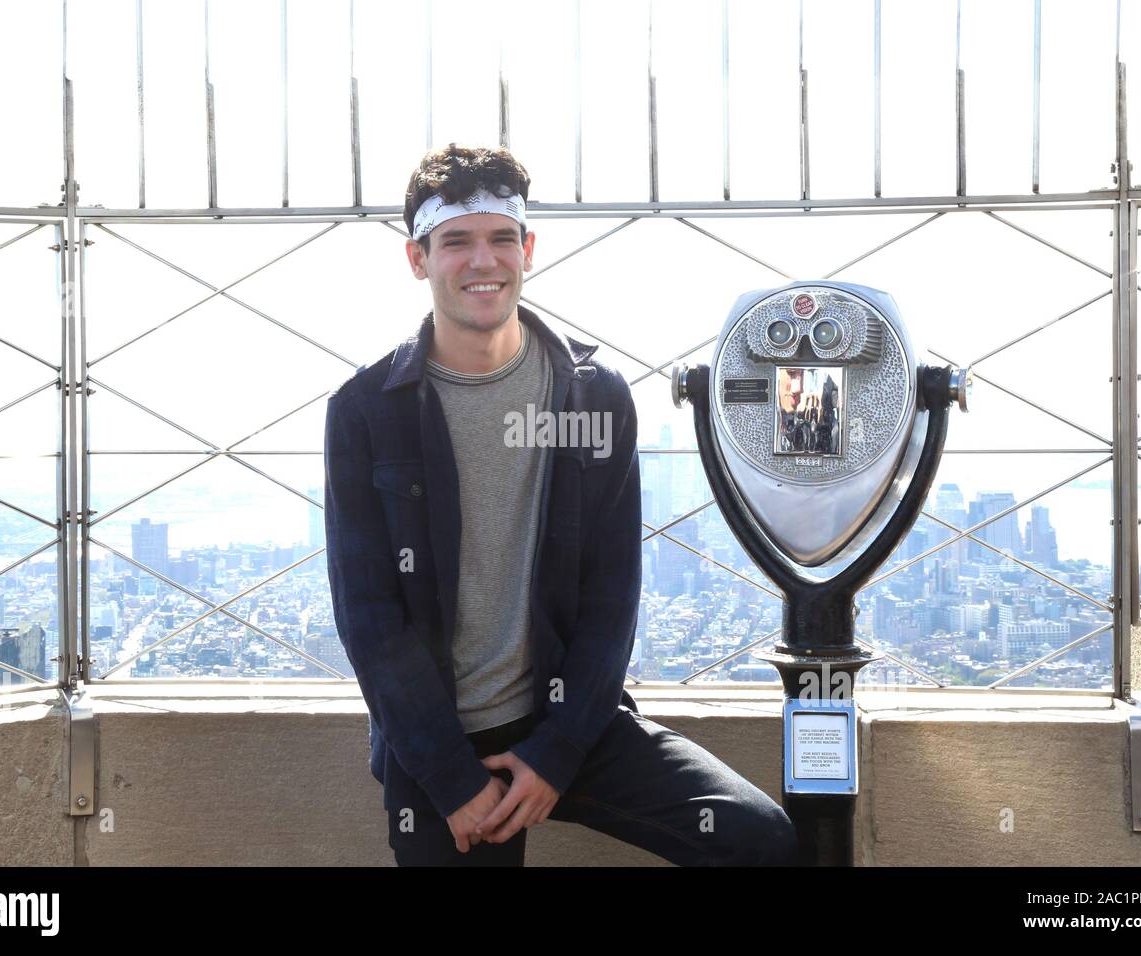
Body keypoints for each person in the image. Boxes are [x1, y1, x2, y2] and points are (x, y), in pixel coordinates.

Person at [323, 143, 799, 867]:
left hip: (570, 724)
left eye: (501, 238)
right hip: (438, 750)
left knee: (757, 840)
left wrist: (556, 753)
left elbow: (613, 592)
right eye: (456, 242)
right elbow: (370, 618)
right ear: (417, 259)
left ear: (528, 249)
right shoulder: (366, 410)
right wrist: (452, 783)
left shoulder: (591, 394)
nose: (483, 261)